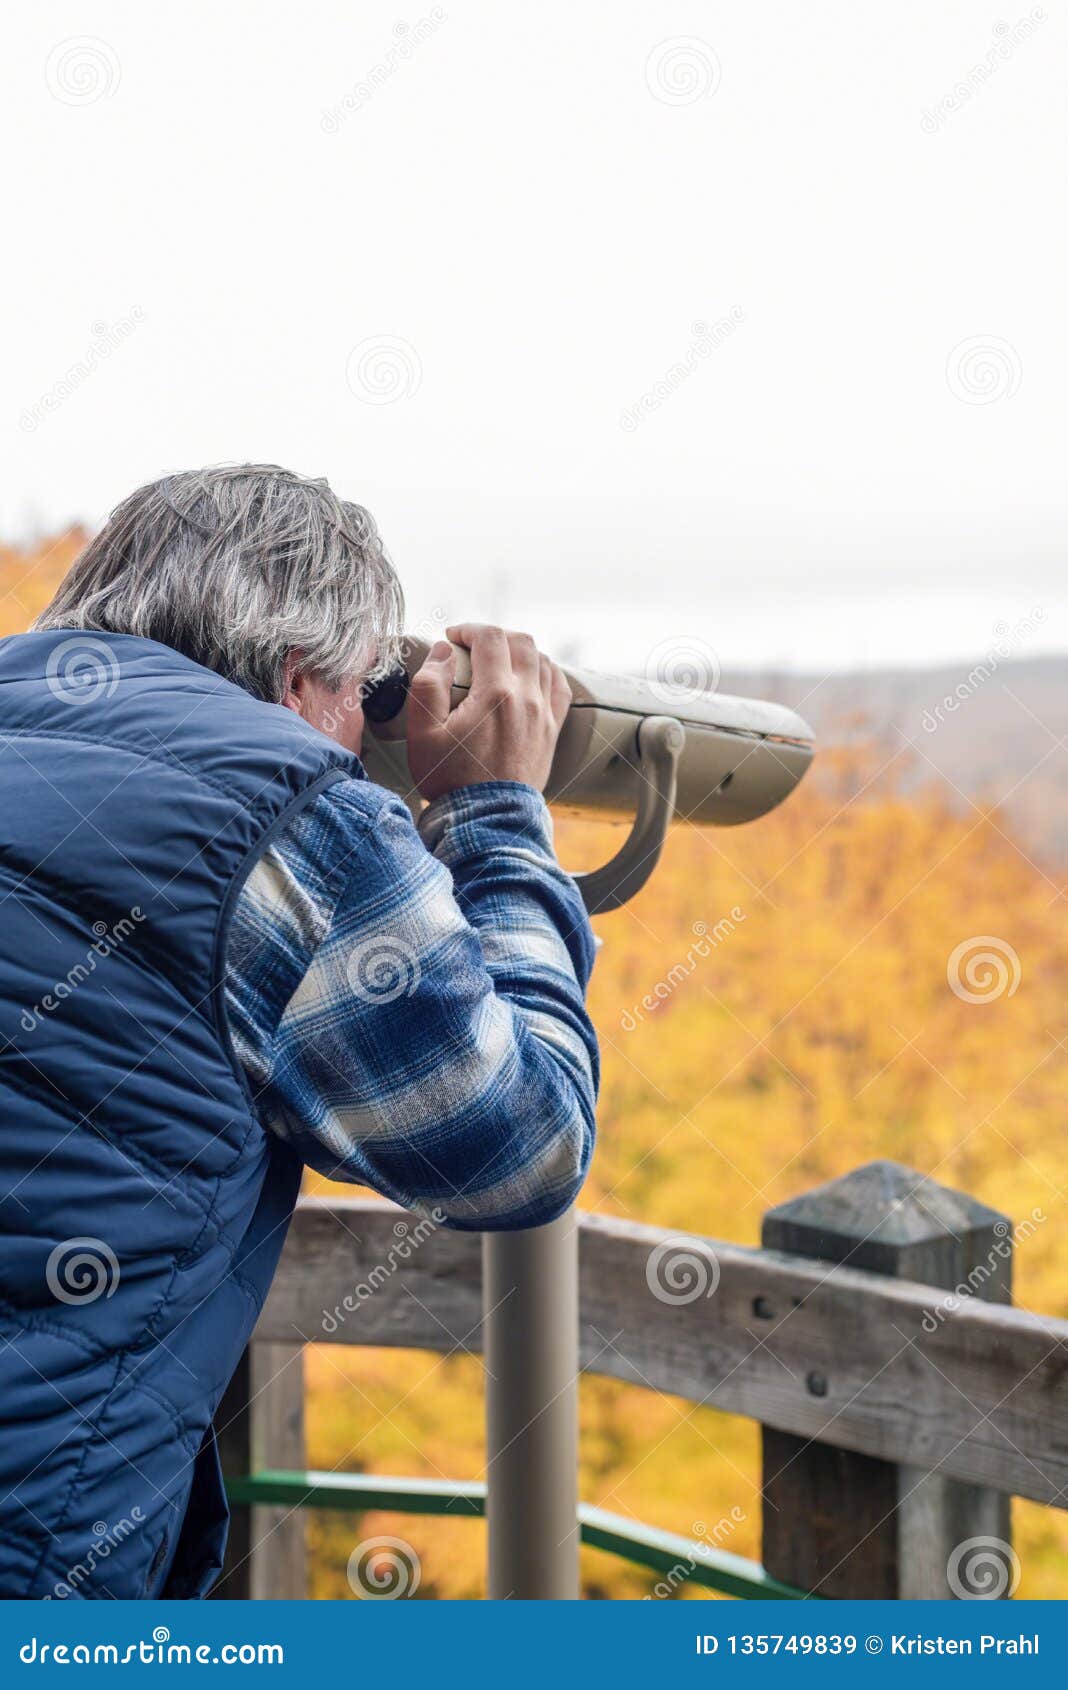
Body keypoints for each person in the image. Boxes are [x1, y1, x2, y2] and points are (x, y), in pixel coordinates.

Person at [0, 464, 598, 1599]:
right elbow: (522, 1148)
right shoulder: (286, 810)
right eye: (370, 694)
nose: (358, 738)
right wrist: (495, 817)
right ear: (295, 672)